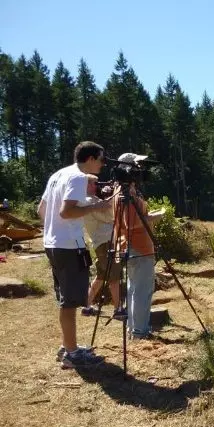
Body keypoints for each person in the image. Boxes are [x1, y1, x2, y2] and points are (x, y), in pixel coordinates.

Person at [37, 141, 110, 369]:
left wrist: (53, 230)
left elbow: (41, 209)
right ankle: (72, 353)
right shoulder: (78, 177)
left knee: (65, 299)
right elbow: (66, 211)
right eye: (101, 159)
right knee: (69, 302)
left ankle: (67, 345)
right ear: (90, 158)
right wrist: (97, 207)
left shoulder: (58, 174)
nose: (102, 164)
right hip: (68, 247)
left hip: (54, 244)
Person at [113, 152, 161, 340]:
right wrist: (155, 217)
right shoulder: (126, 193)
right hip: (139, 247)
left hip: (132, 246)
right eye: (137, 166)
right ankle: (140, 331)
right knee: (142, 290)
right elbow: (132, 223)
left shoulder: (121, 190)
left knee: (134, 289)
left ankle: (134, 328)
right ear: (127, 168)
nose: (141, 170)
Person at [80, 175, 126, 319]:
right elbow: (108, 216)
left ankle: (86, 306)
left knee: (101, 276)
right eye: (94, 184)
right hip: (104, 242)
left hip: (102, 241)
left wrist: (108, 195)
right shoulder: (88, 201)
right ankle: (118, 309)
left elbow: (106, 210)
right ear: (86, 185)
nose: (97, 186)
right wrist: (114, 194)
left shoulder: (93, 199)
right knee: (114, 276)